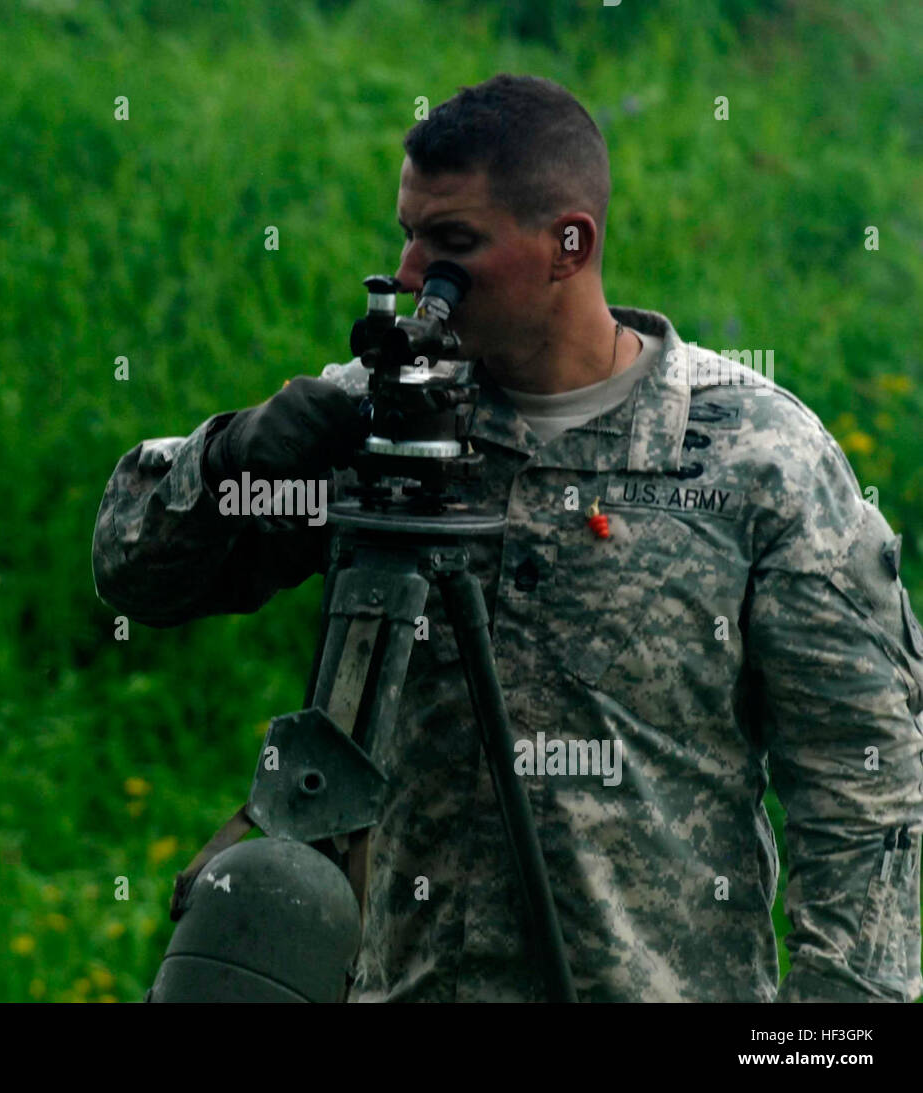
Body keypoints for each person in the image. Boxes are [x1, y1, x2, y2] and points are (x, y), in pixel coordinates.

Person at [91, 74, 923, 1002]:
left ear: (571, 244)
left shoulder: (754, 460)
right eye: (407, 234)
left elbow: (866, 785)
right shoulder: (384, 430)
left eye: (453, 243)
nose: (412, 275)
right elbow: (136, 575)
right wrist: (238, 456)